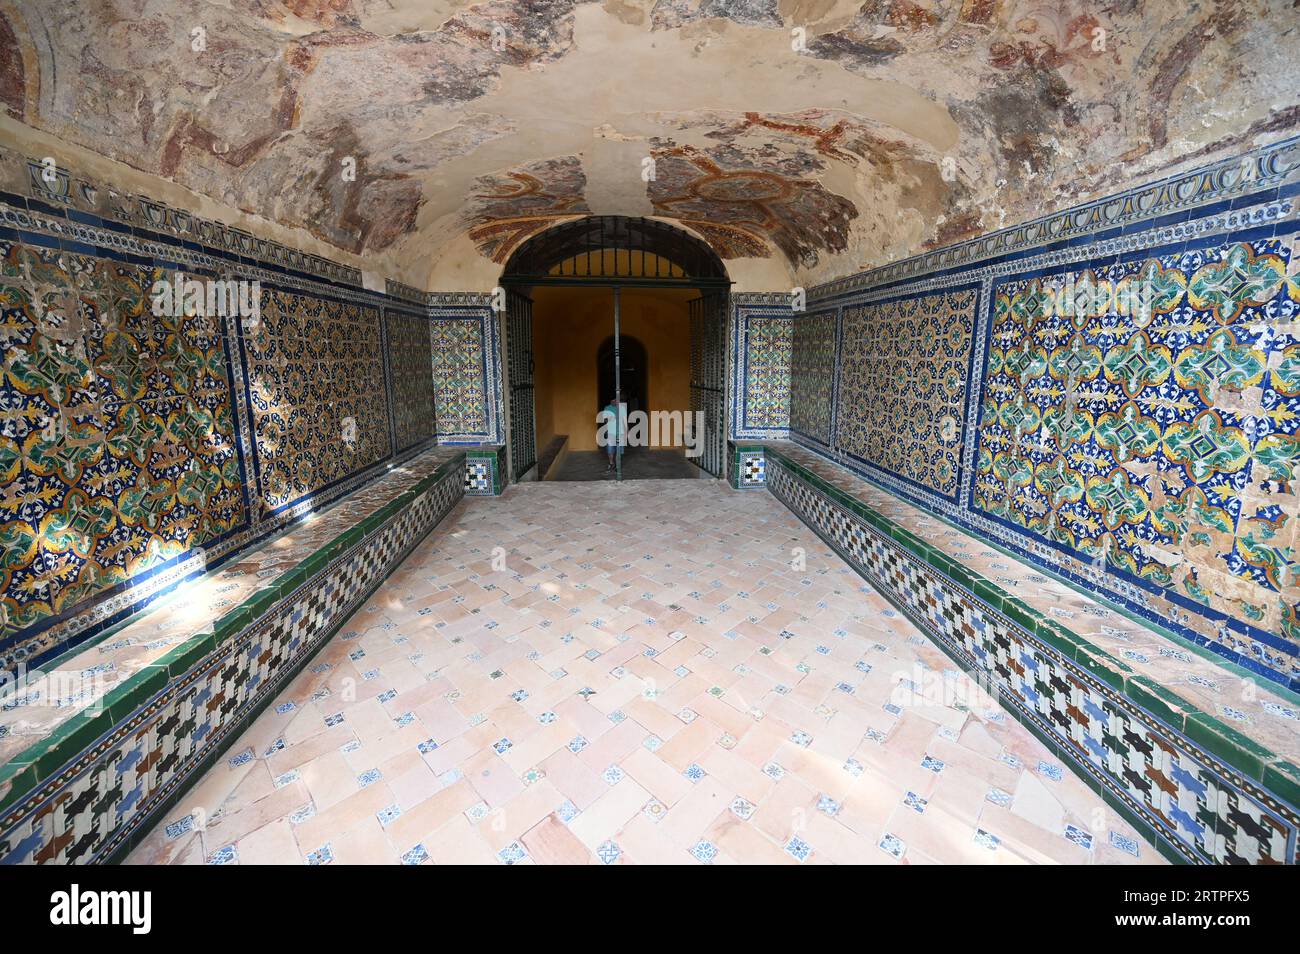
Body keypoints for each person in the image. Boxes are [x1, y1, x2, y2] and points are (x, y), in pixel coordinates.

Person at [599, 394, 624, 474]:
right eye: (613, 400)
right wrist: (612, 418)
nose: (615, 401)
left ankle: (617, 465)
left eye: (616, 400)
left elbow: (624, 420)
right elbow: (605, 420)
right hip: (610, 432)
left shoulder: (622, 408)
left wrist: (627, 431)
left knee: (619, 450)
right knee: (610, 450)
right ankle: (611, 463)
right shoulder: (607, 408)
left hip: (620, 432)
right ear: (611, 401)